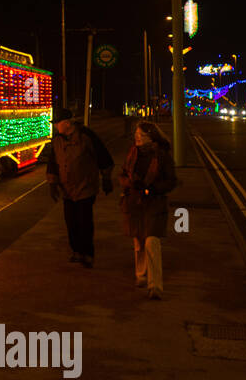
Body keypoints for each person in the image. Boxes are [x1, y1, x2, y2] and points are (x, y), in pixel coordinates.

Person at [45, 107, 114, 267]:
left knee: (84, 222)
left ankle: (87, 254)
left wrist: (106, 178)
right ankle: (76, 251)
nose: (55, 126)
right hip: (67, 190)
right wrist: (52, 184)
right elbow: (53, 164)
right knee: (71, 222)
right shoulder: (57, 141)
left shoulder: (87, 136)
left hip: (85, 187)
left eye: (57, 123)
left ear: (67, 123)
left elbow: (103, 157)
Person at [118, 120, 178, 299]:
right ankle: (141, 275)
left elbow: (171, 180)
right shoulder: (132, 153)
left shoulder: (162, 156)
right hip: (134, 202)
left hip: (154, 202)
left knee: (152, 241)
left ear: (151, 137)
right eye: (136, 134)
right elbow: (122, 174)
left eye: (141, 135)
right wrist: (129, 182)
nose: (137, 138)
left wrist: (153, 188)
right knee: (138, 241)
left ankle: (155, 286)